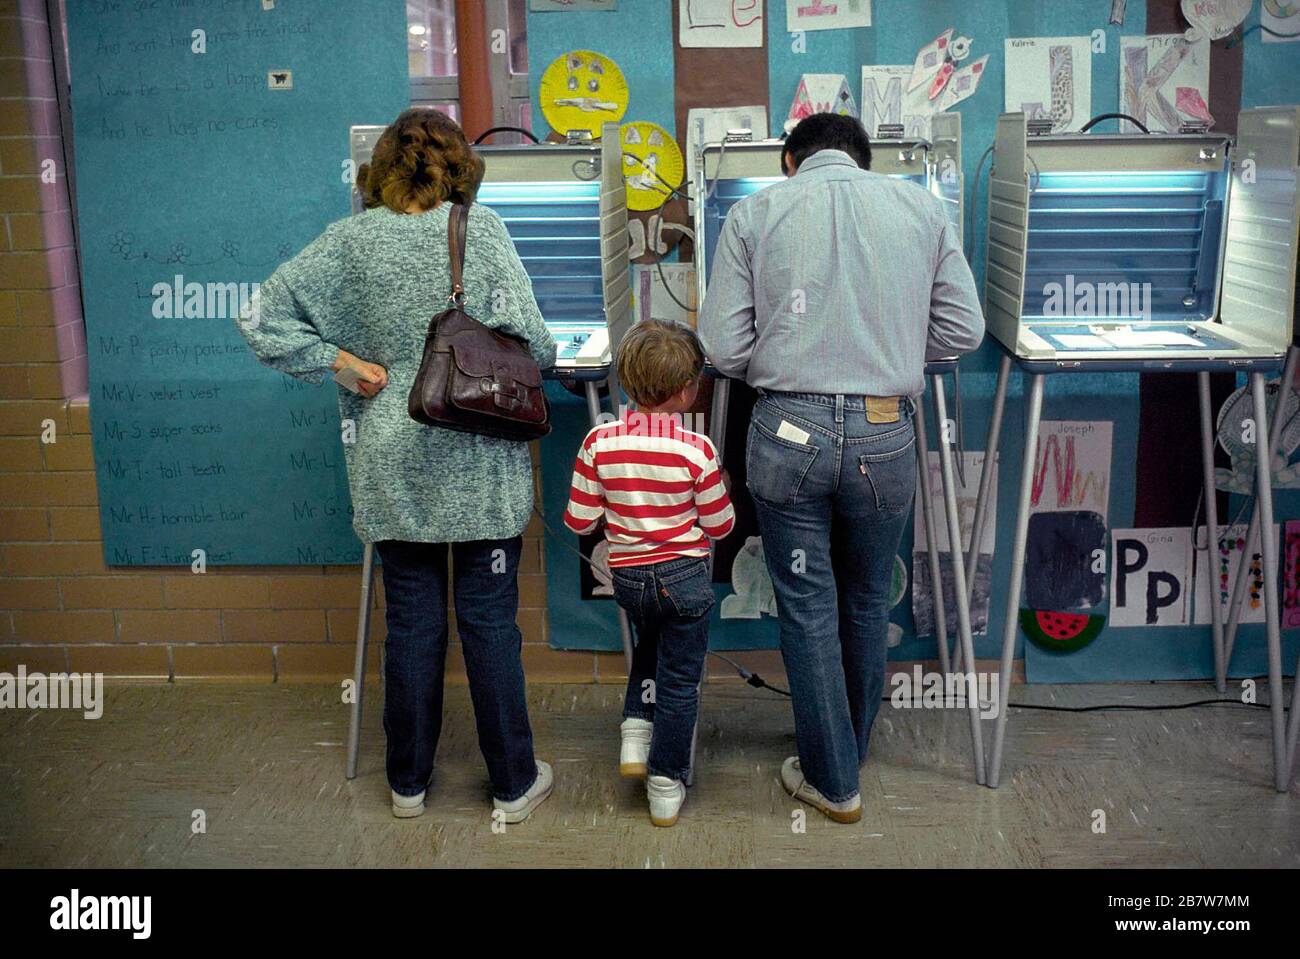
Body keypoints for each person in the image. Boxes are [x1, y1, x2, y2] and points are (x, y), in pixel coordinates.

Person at [235, 108, 558, 823]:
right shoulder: (483, 233)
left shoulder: (347, 242)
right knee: (489, 624)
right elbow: (535, 345)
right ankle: (513, 781)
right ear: (461, 170)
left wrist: (344, 364)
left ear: (380, 169)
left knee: (410, 624)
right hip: (480, 463)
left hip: (390, 462)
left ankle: (407, 784)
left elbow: (260, 318)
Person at [697, 113, 984, 823]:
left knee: (807, 604)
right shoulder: (921, 205)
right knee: (866, 599)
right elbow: (963, 330)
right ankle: (846, 751)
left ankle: (833, 778)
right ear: (863, 159)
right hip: (885, 431)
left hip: (788, 432)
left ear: (790, 159)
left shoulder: (754, 210)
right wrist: (888, 350)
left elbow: (722, 348)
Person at [562, 320, 735, 826]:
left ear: (627, 383)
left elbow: (578, 520)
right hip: (683, 578)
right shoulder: (697, 451)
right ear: (687, 390)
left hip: (630, 581)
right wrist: (716, 485)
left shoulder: (600, 441)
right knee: (681, 680)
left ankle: (635, 733)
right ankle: (665, 781)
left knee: (648, 649)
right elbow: (721, 526)